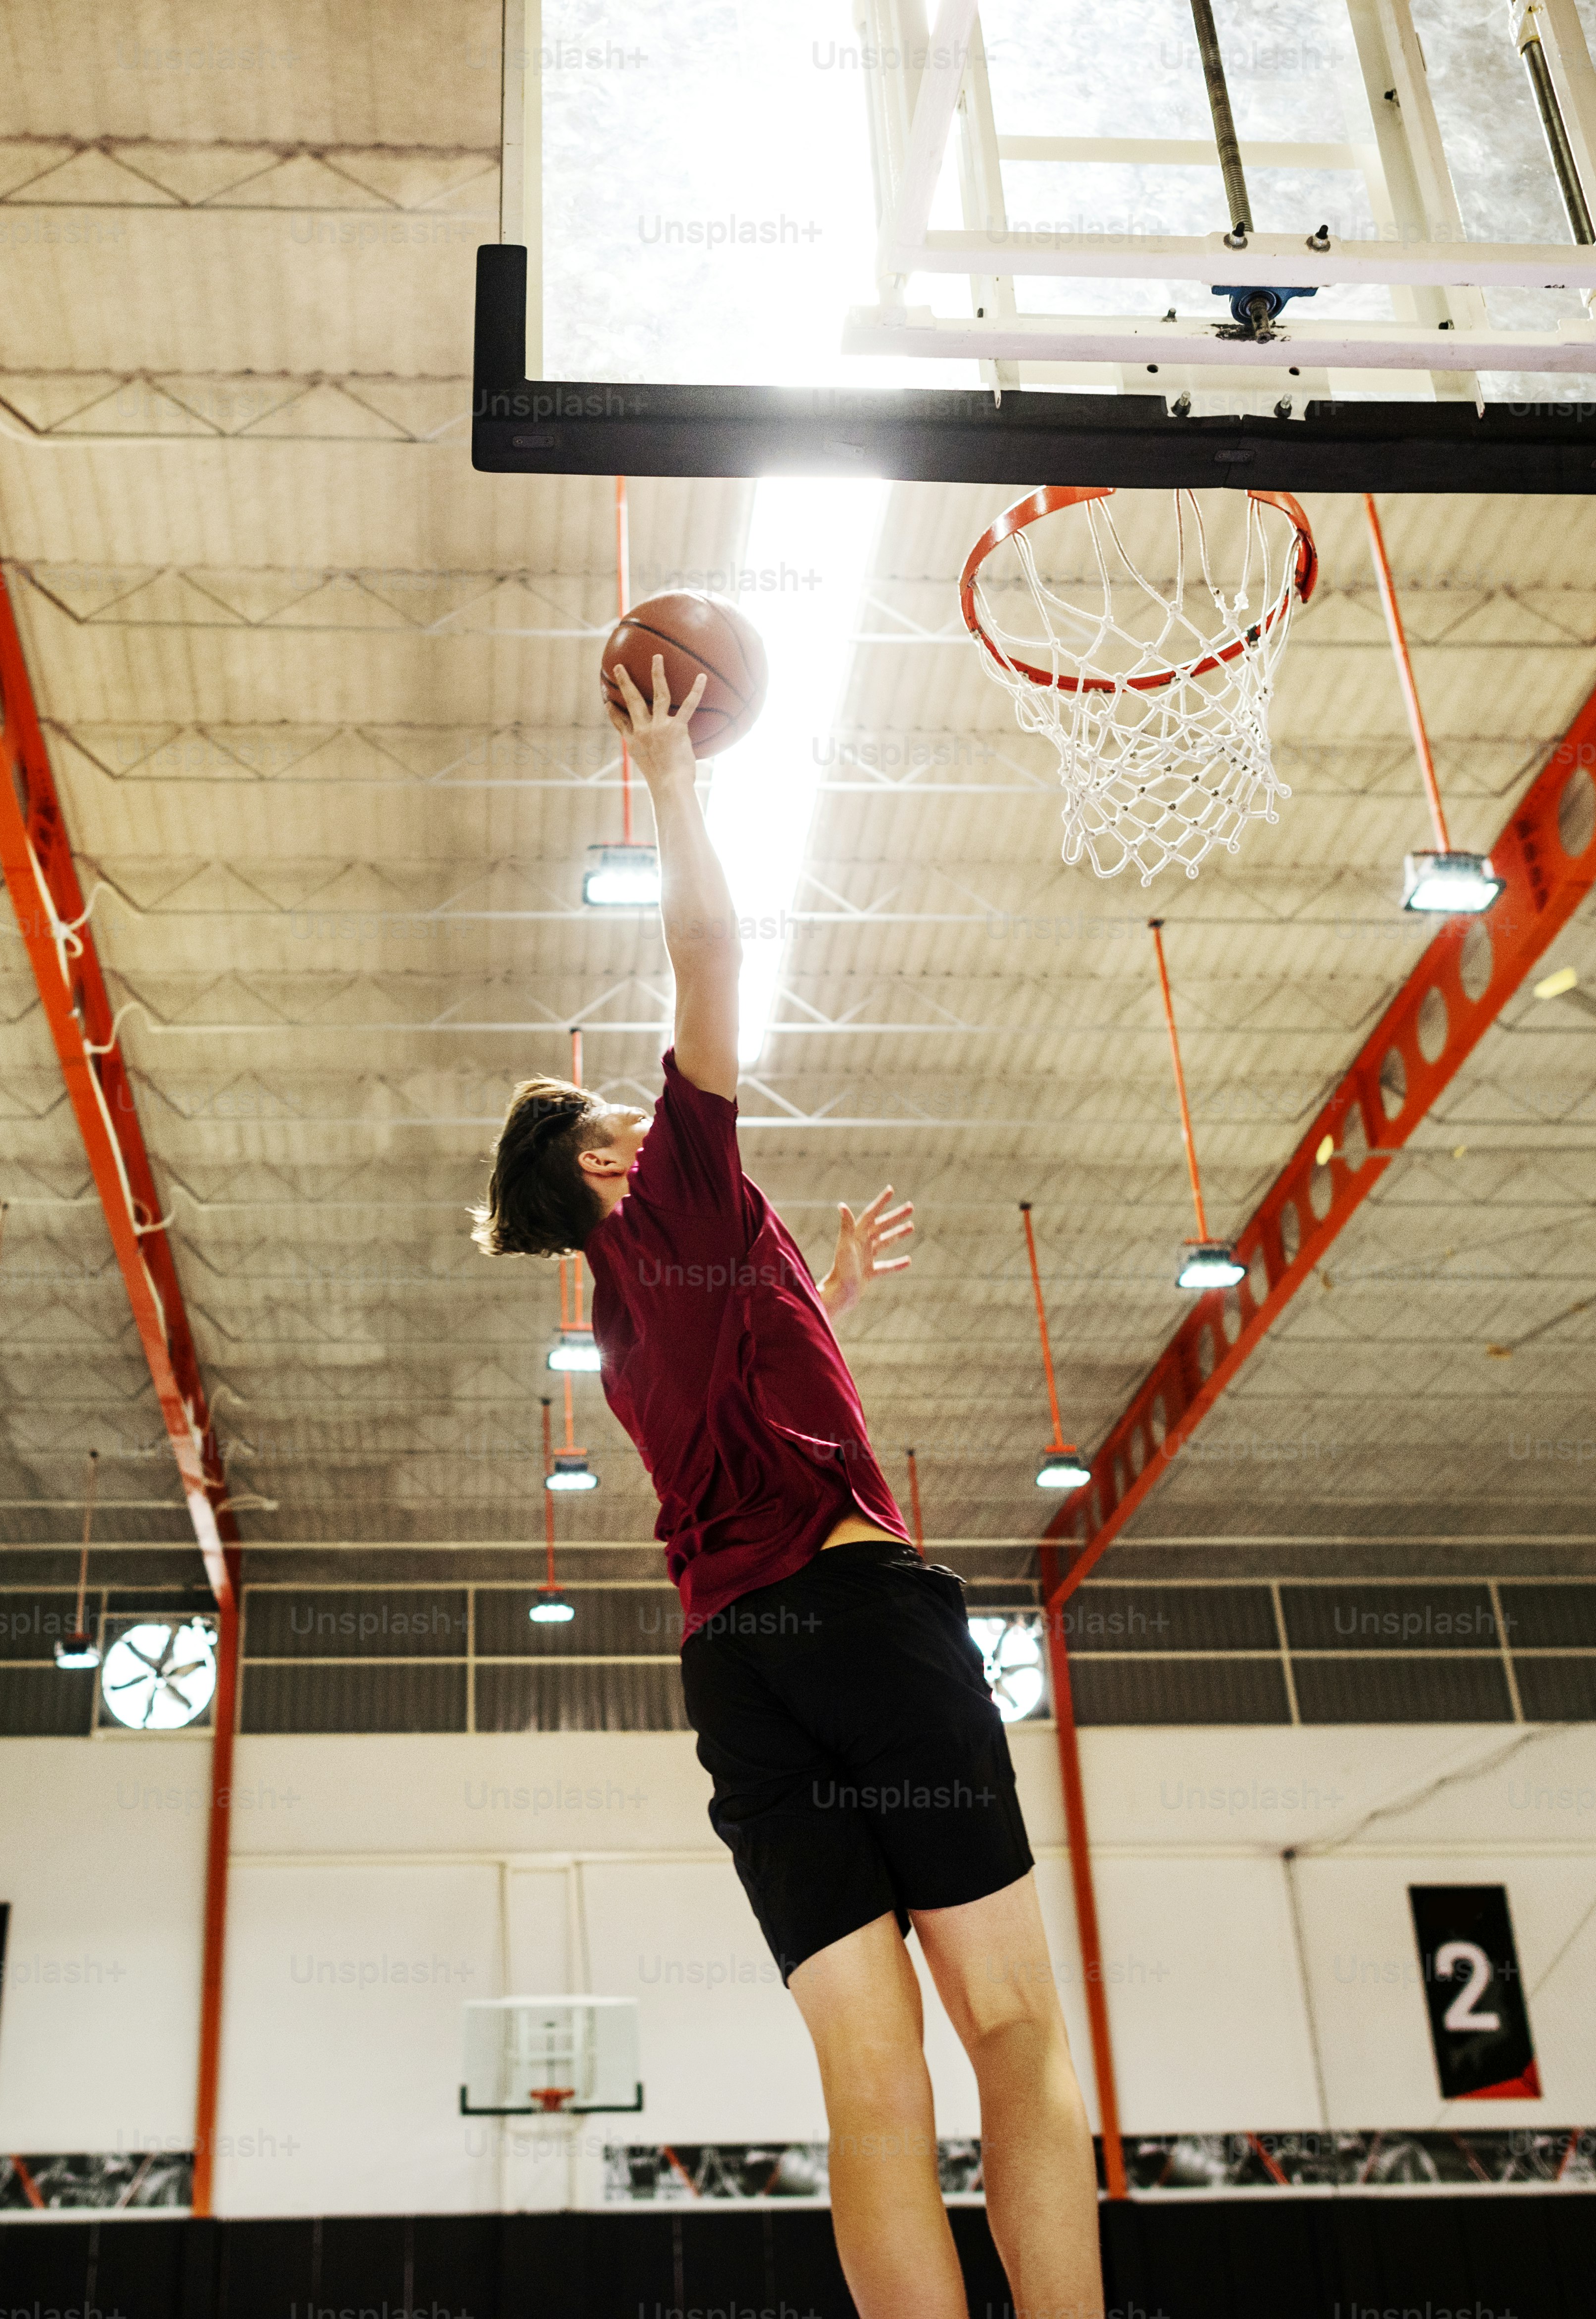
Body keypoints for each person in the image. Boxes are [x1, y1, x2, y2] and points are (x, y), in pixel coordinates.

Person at [470, 658, 1106, 2319]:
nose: (654, 1119)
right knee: (1018, 2035)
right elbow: (710, 951)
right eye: (626, 1118)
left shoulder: (624, 1327)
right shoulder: (669, 1188)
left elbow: (746, 1367)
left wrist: (821, 1279)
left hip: (739, 1673)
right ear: (610, 1164)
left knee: (871, 2091)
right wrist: (671, 776)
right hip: (860, 1622)